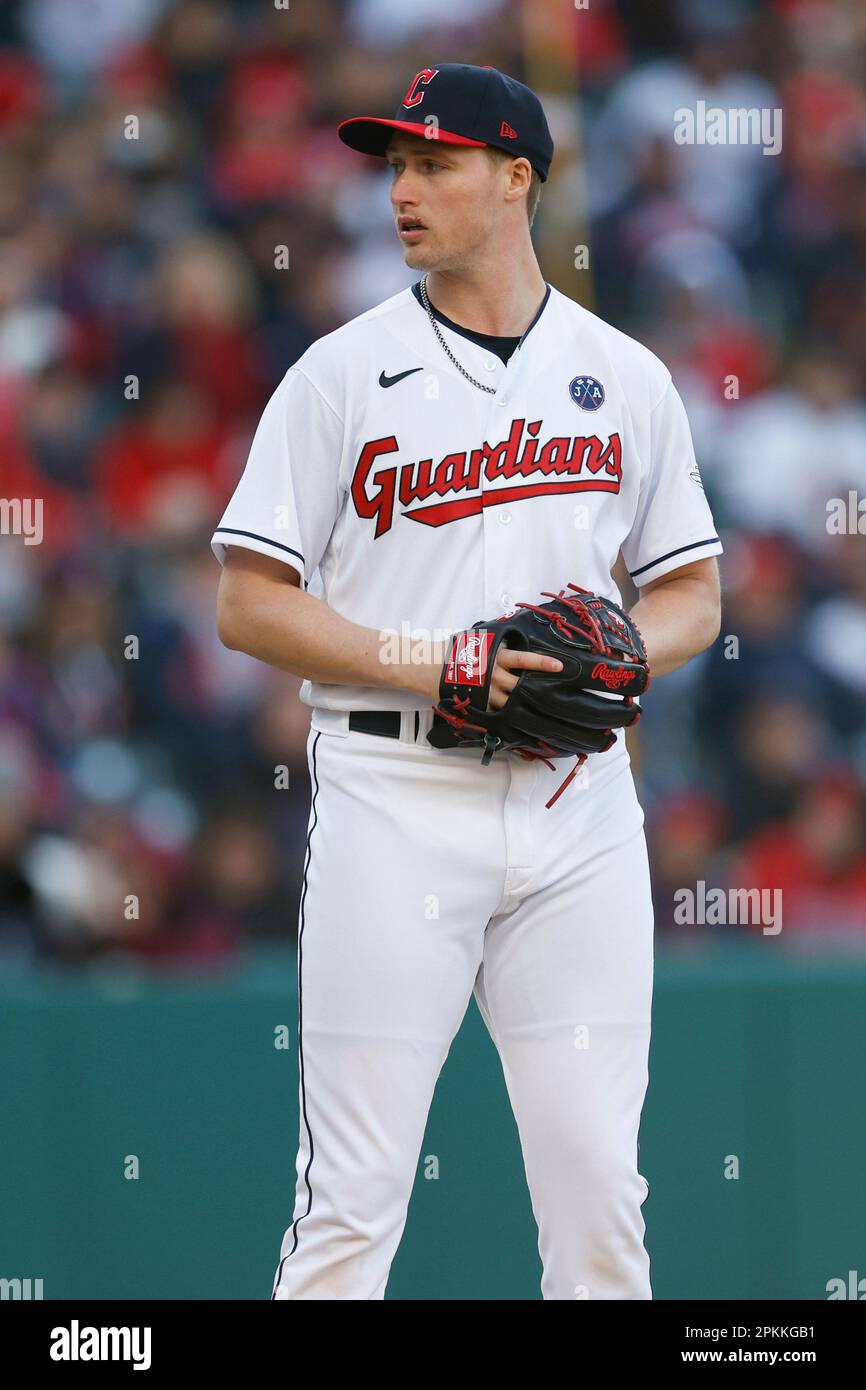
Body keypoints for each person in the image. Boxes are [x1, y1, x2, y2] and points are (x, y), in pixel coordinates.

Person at [212, 63, 722, 1300]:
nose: (402, 190)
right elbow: (245, 600)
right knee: (351, 1205)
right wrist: (433, 659)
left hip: (574, 805)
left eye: (433, 163)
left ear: (515, 179)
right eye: (394, 166)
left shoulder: (625, 377)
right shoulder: (336, 374)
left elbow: (691, 594)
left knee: (601, 1198)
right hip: (394, 793)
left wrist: (614, 657)